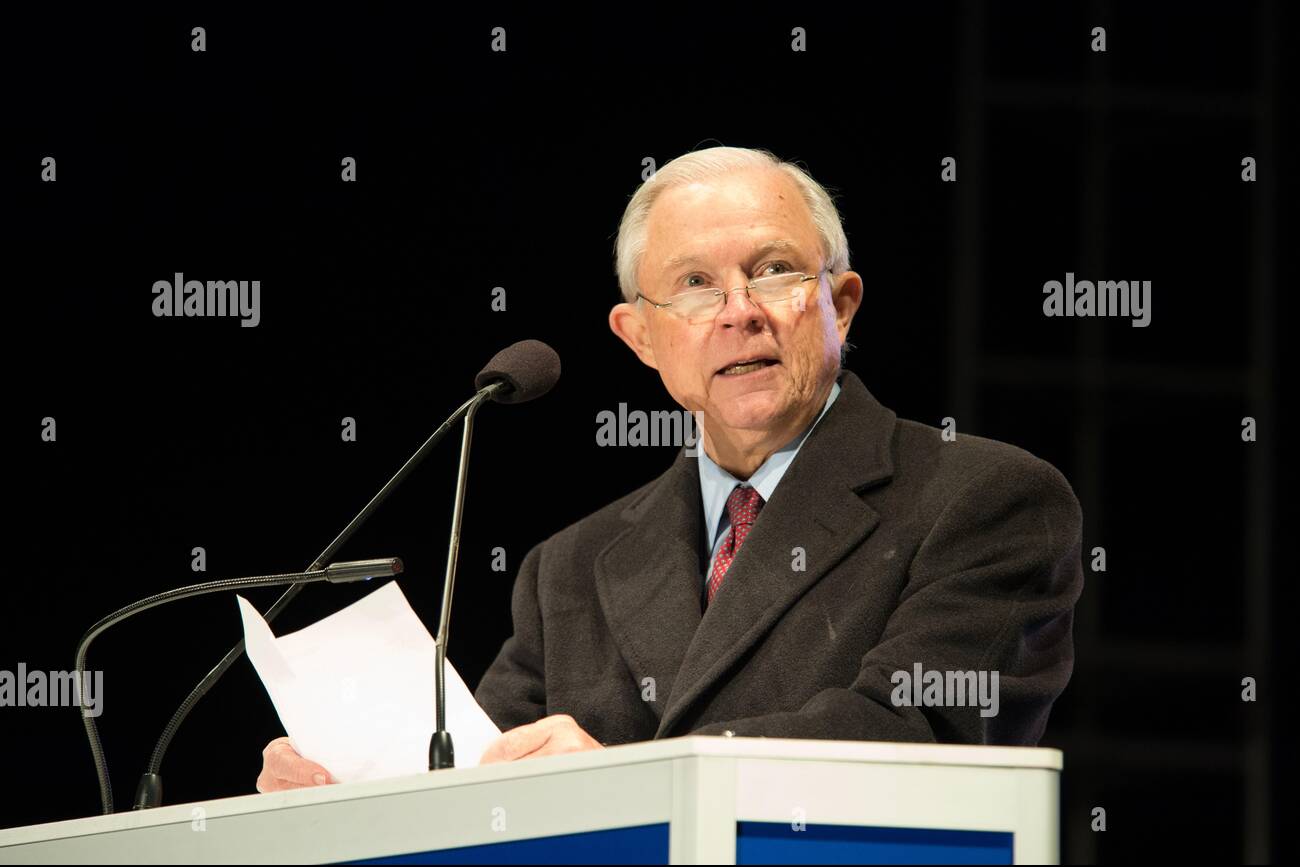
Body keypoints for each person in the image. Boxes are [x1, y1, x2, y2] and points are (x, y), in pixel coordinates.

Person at [257, 146, 1083, 794]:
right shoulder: (568, 570)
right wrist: (349, 780)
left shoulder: (985, 499)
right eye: (694, 285)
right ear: (639, 337)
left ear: (840, 302)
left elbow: (912, 734)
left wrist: (614, 772)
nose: (738, 311)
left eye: (773, 270)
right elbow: (485, 778)